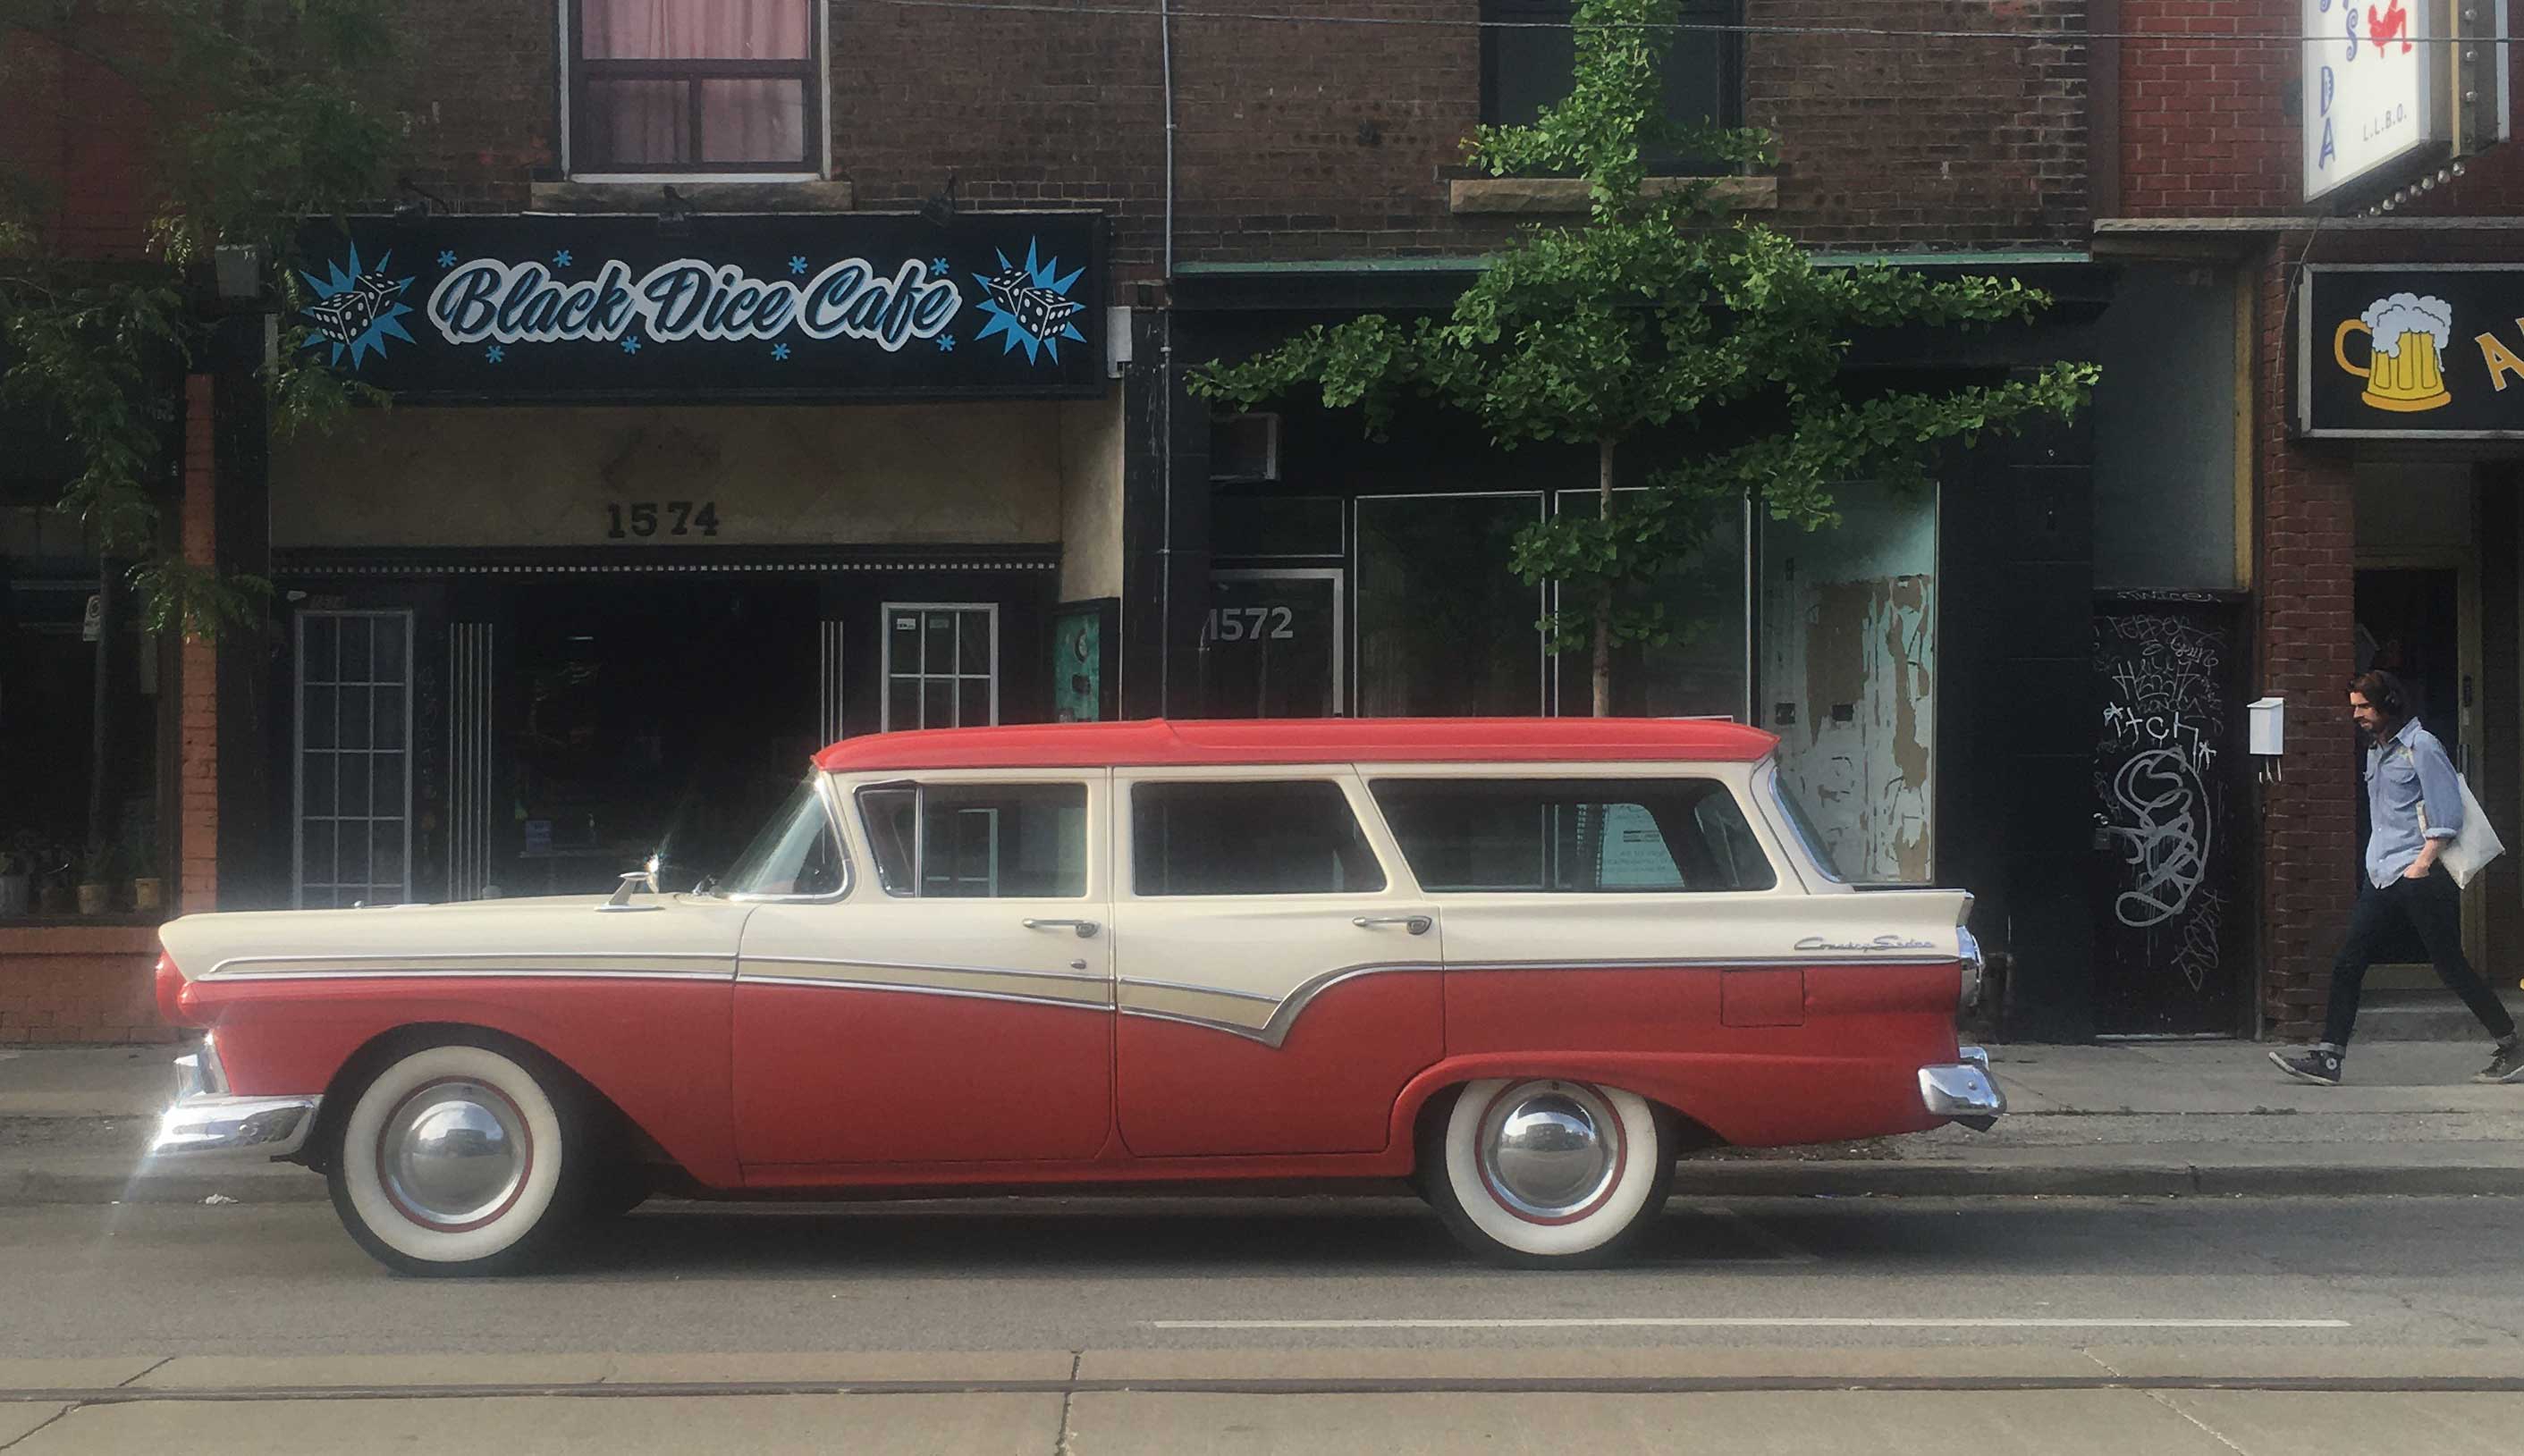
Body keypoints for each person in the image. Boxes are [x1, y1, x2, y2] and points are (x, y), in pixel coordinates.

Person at [2271, 669, 2523, 1086]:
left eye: (2364, 707)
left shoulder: (2422, 747)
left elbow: (2447, 816)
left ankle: (2512, 1043)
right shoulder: (2376, 752)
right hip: (2382, 873)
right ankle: (2329, 1058)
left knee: (2450, 966)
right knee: (2348, 962)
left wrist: (2421, 864)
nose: (2357, 715)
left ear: (2389, 704)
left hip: (2417, 873)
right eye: (2354, 707)